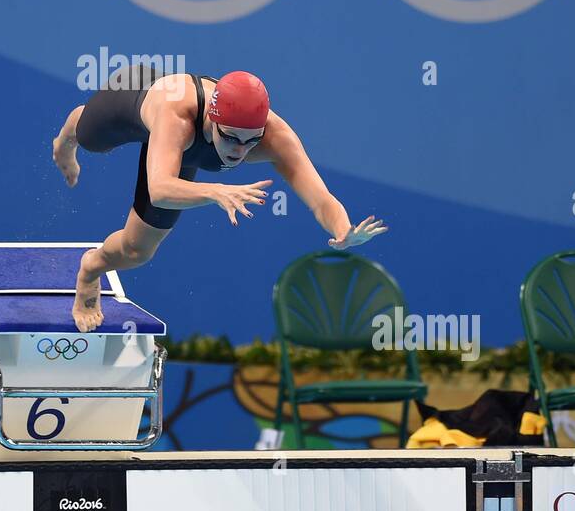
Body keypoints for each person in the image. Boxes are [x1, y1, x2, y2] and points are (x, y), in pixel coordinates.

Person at [52, 67, 386, 332]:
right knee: (92, 138)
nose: (240, 152)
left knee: (138, 251)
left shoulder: (276, 136)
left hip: (182, 152)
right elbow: (160, 188)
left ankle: (90, 268)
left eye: (251, 141)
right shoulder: (178, 115)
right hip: (136, 99)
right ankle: (68, 136)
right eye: (231, 138)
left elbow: (321, 199)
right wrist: (216, 192)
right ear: (212, 119)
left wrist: (343, 230)